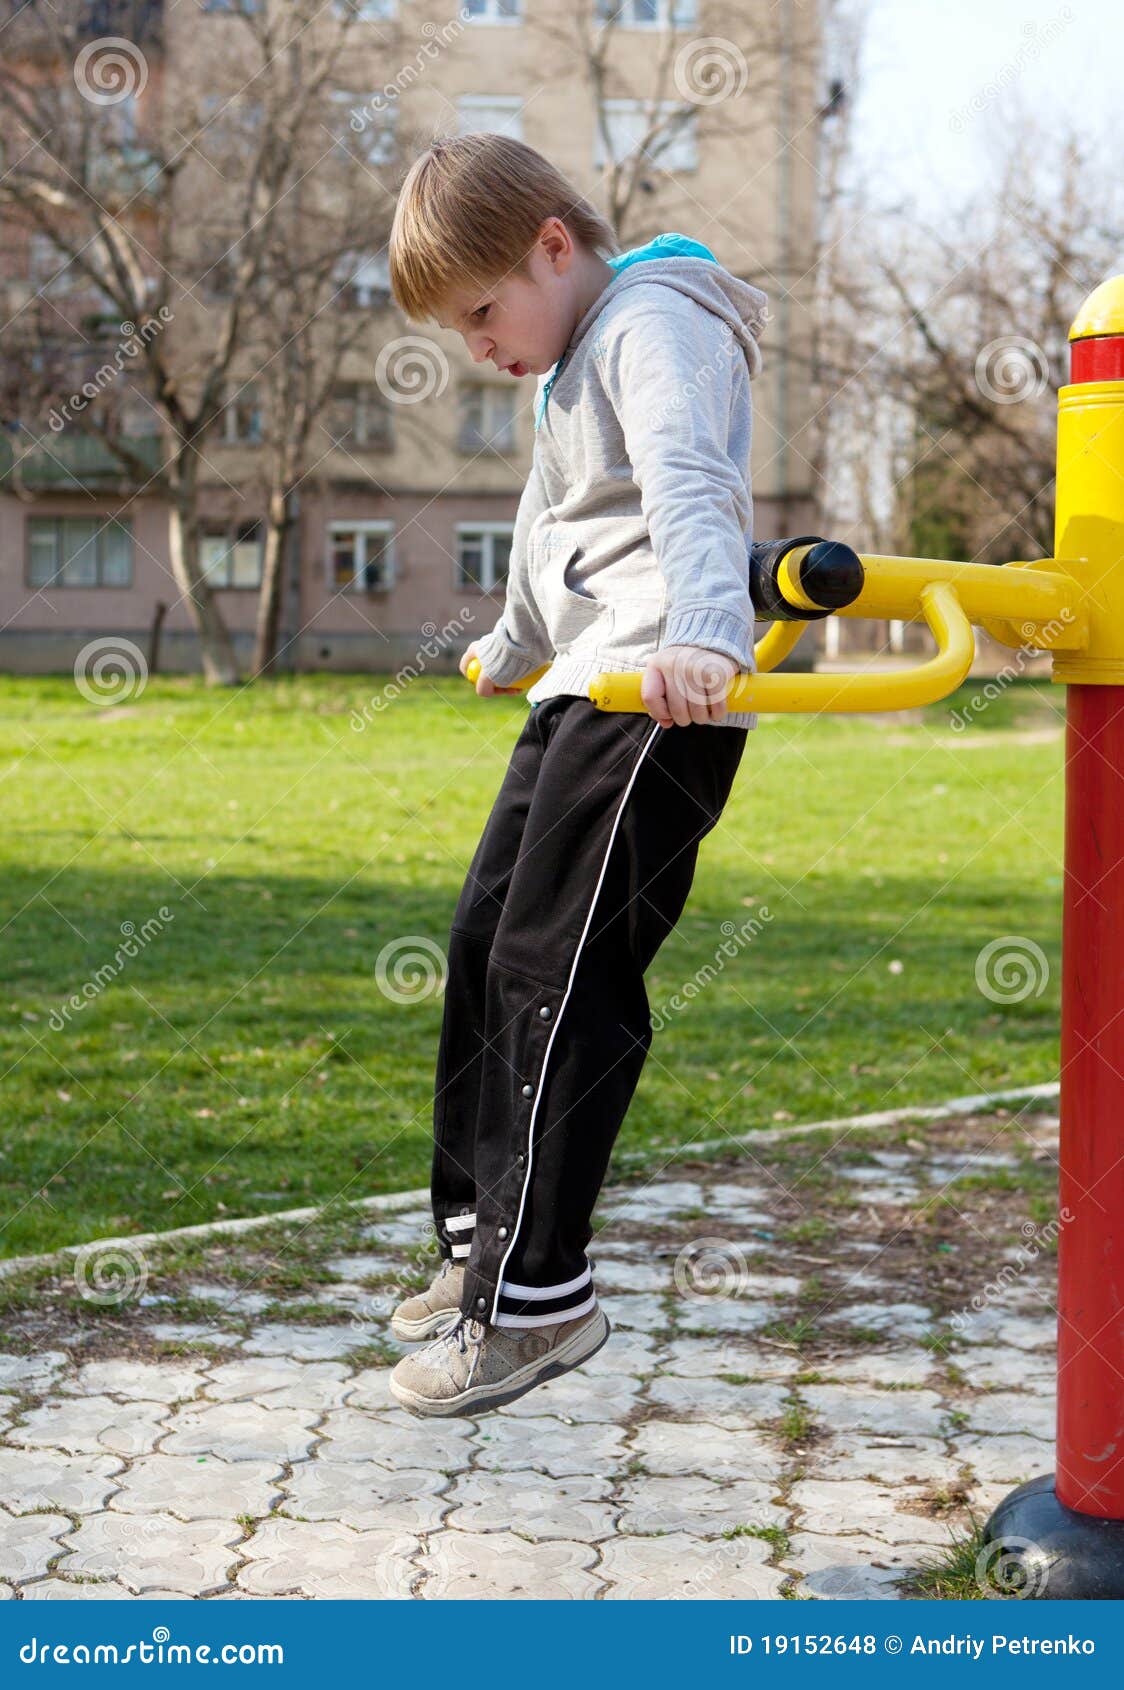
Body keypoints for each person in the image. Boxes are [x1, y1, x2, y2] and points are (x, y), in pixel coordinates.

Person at [383, 131, 768, 1417]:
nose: (480, 347)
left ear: (554, 242)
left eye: (482, 312)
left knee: (562, 968)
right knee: (487, 937)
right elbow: (555, 522)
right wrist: (516, 639)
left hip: (664, 681)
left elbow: (687, 483)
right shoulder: (564, 362)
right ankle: (474, 1240)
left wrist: (709, 635)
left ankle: (536, 1298)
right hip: (586, 676)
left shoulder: (658, 322)